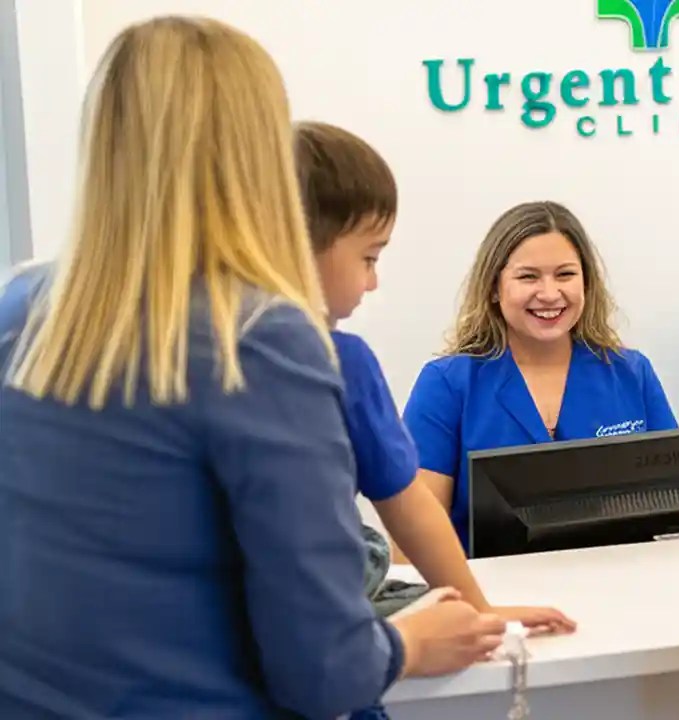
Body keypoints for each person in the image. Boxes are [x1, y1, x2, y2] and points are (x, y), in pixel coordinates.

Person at [0, 17, 507, 719]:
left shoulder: (21, 308)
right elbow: (326, 670)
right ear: (256, 153)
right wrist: (411, 642)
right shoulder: (261, 341)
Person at [293, 120, 575, 635]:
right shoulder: (357, 369)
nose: (374, 281)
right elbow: (410, 510)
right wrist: (453, 619)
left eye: (565, 274)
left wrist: (473, 608)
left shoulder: (628, 370)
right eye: (369, 257)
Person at [403, 201, 678, 552]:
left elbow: (675, 502)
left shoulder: (632, 374)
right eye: (528, 276)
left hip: (615, 586)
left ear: (586, 284)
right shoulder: (446, 384)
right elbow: (411, 534)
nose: (549, 294)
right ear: (493, 287)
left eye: (565, 274)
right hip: (488, 597)